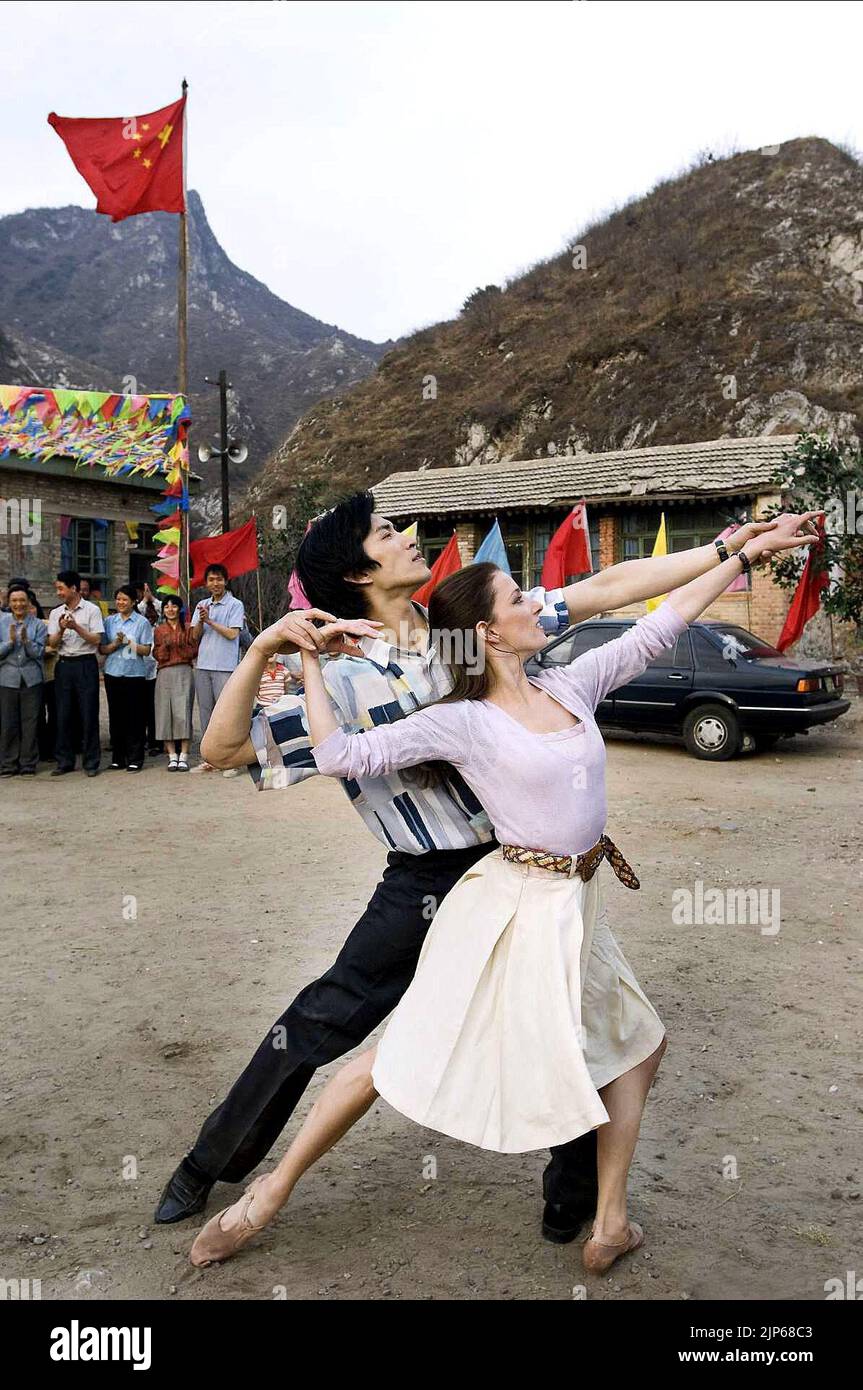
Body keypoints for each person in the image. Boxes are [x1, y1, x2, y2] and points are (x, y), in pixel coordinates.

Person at [155, 491, 820, 1241]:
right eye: (385, 532)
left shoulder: (464, 628)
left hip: (521, 867)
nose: (406, 536)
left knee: (563, 1021)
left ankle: (574, 1202)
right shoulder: (338, 673)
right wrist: (261, 651)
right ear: (356, 570)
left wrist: (730, 548)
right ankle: (208, 1165)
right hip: (423, 879)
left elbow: (608, 590)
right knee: (320, 1021)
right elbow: (221, 750)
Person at [46, 570, 105, 777]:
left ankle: (91, 762)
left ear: (73, 588)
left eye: (61, 588)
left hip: (85, 664)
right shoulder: (55, 613)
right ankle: (65, 761)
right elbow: (52, 643)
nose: (59, 592)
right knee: (63, 714)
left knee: (88, 713)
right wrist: (62, 629)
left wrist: (75, 626)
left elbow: (96, 639)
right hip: (64, 665)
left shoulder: (92, 610)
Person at [190, 565, 245, 773]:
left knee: (228, 714)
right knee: (206, 713)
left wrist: (210, 621)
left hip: (225, 667)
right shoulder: (202, 605)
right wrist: (201, 621)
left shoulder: (235, 604)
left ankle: (232, 761)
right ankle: (210, 759)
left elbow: (233, 634)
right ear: (206, 583)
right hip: (203, 665)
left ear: (226, 581)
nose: (215, 583)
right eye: (211, 580)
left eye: (219, 579)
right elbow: (195, 637)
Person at [99, 586, 154, 772]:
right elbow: (102, 649)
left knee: (135, 718)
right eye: (118, 599)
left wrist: (128, 642)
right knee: (116, 718)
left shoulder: (142, 622)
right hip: (113, 673)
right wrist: (115, 643)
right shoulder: (109, 622)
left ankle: (135, 758)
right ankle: (118, 758)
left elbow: (146, 650)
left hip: (134, 675)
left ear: (133, 602)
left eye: (125, 599)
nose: (121, 603)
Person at [0, 583, 47, 776]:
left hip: (31, 679)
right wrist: (10, 643)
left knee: (30, 722)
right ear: (9, 603)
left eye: (22, 601)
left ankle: (28, 763)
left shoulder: (37, 624)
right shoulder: (1, 622)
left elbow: (39, 653)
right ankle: (8, 764)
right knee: (8, 723)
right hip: (7, 678)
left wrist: (27, 642)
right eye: (14, 601)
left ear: (29, 603)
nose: (18, 604)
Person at [153, 595, 199, 771]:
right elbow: (157, 654)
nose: (170, 609)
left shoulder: (187, 628)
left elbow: (193, 652)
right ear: (163, 610)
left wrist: (179, 644)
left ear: (179, 609)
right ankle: (172, 755)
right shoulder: (159, 630)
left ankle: (184, 755)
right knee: (165, 713)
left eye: (174, 606)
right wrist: (166, 645)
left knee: (183, 712)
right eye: (166, 606)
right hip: (164, 672)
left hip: (184, 671)